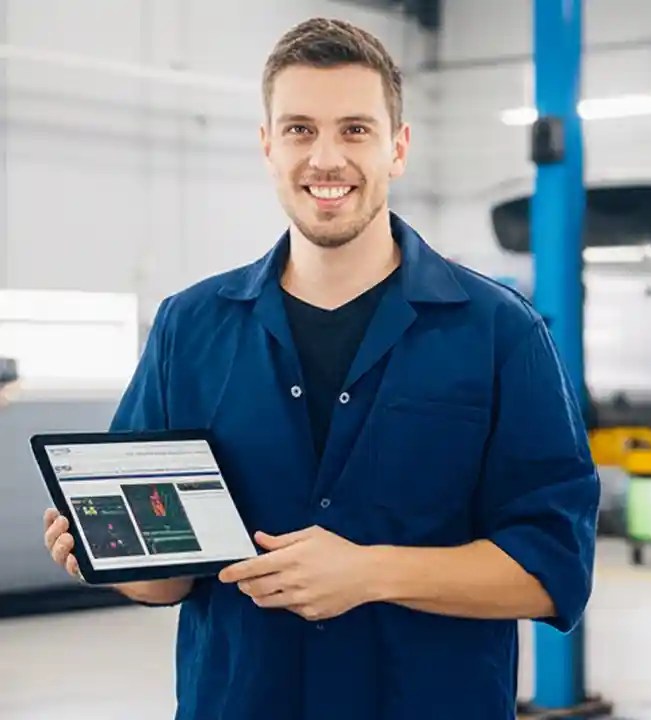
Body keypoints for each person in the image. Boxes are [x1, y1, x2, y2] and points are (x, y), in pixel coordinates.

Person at [40, 16, 600, 720]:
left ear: (397, 149)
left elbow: (554, 569)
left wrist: (368, 573)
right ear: (268, 146)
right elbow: (169, 582)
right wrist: (106, 553)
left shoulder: (499, 332)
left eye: (355, 129)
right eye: (300, 129)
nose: (325, 157)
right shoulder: (191, 326)